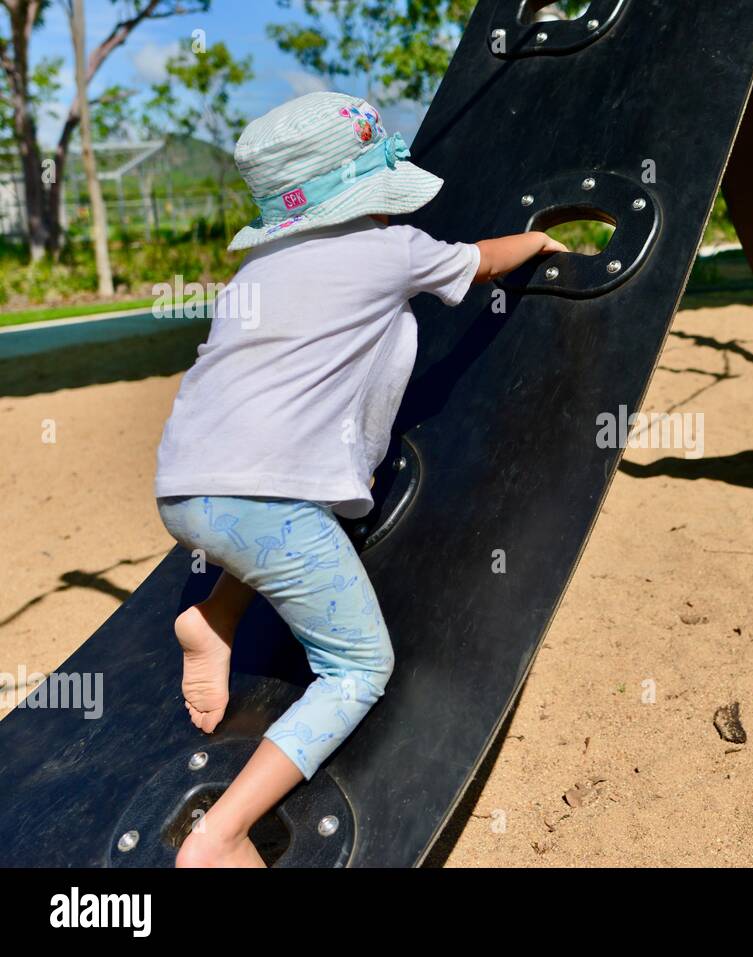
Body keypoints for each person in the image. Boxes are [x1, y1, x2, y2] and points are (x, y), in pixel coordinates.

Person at [153, 91, 567, 867]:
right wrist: (537, 240)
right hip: (262, 503)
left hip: (186, 486)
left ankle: (214, 618)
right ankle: (223, 832)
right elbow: (479, 262)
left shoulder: (260, 264)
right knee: (357, 667)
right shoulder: (392, 250)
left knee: (312, 508)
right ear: (370, 197)